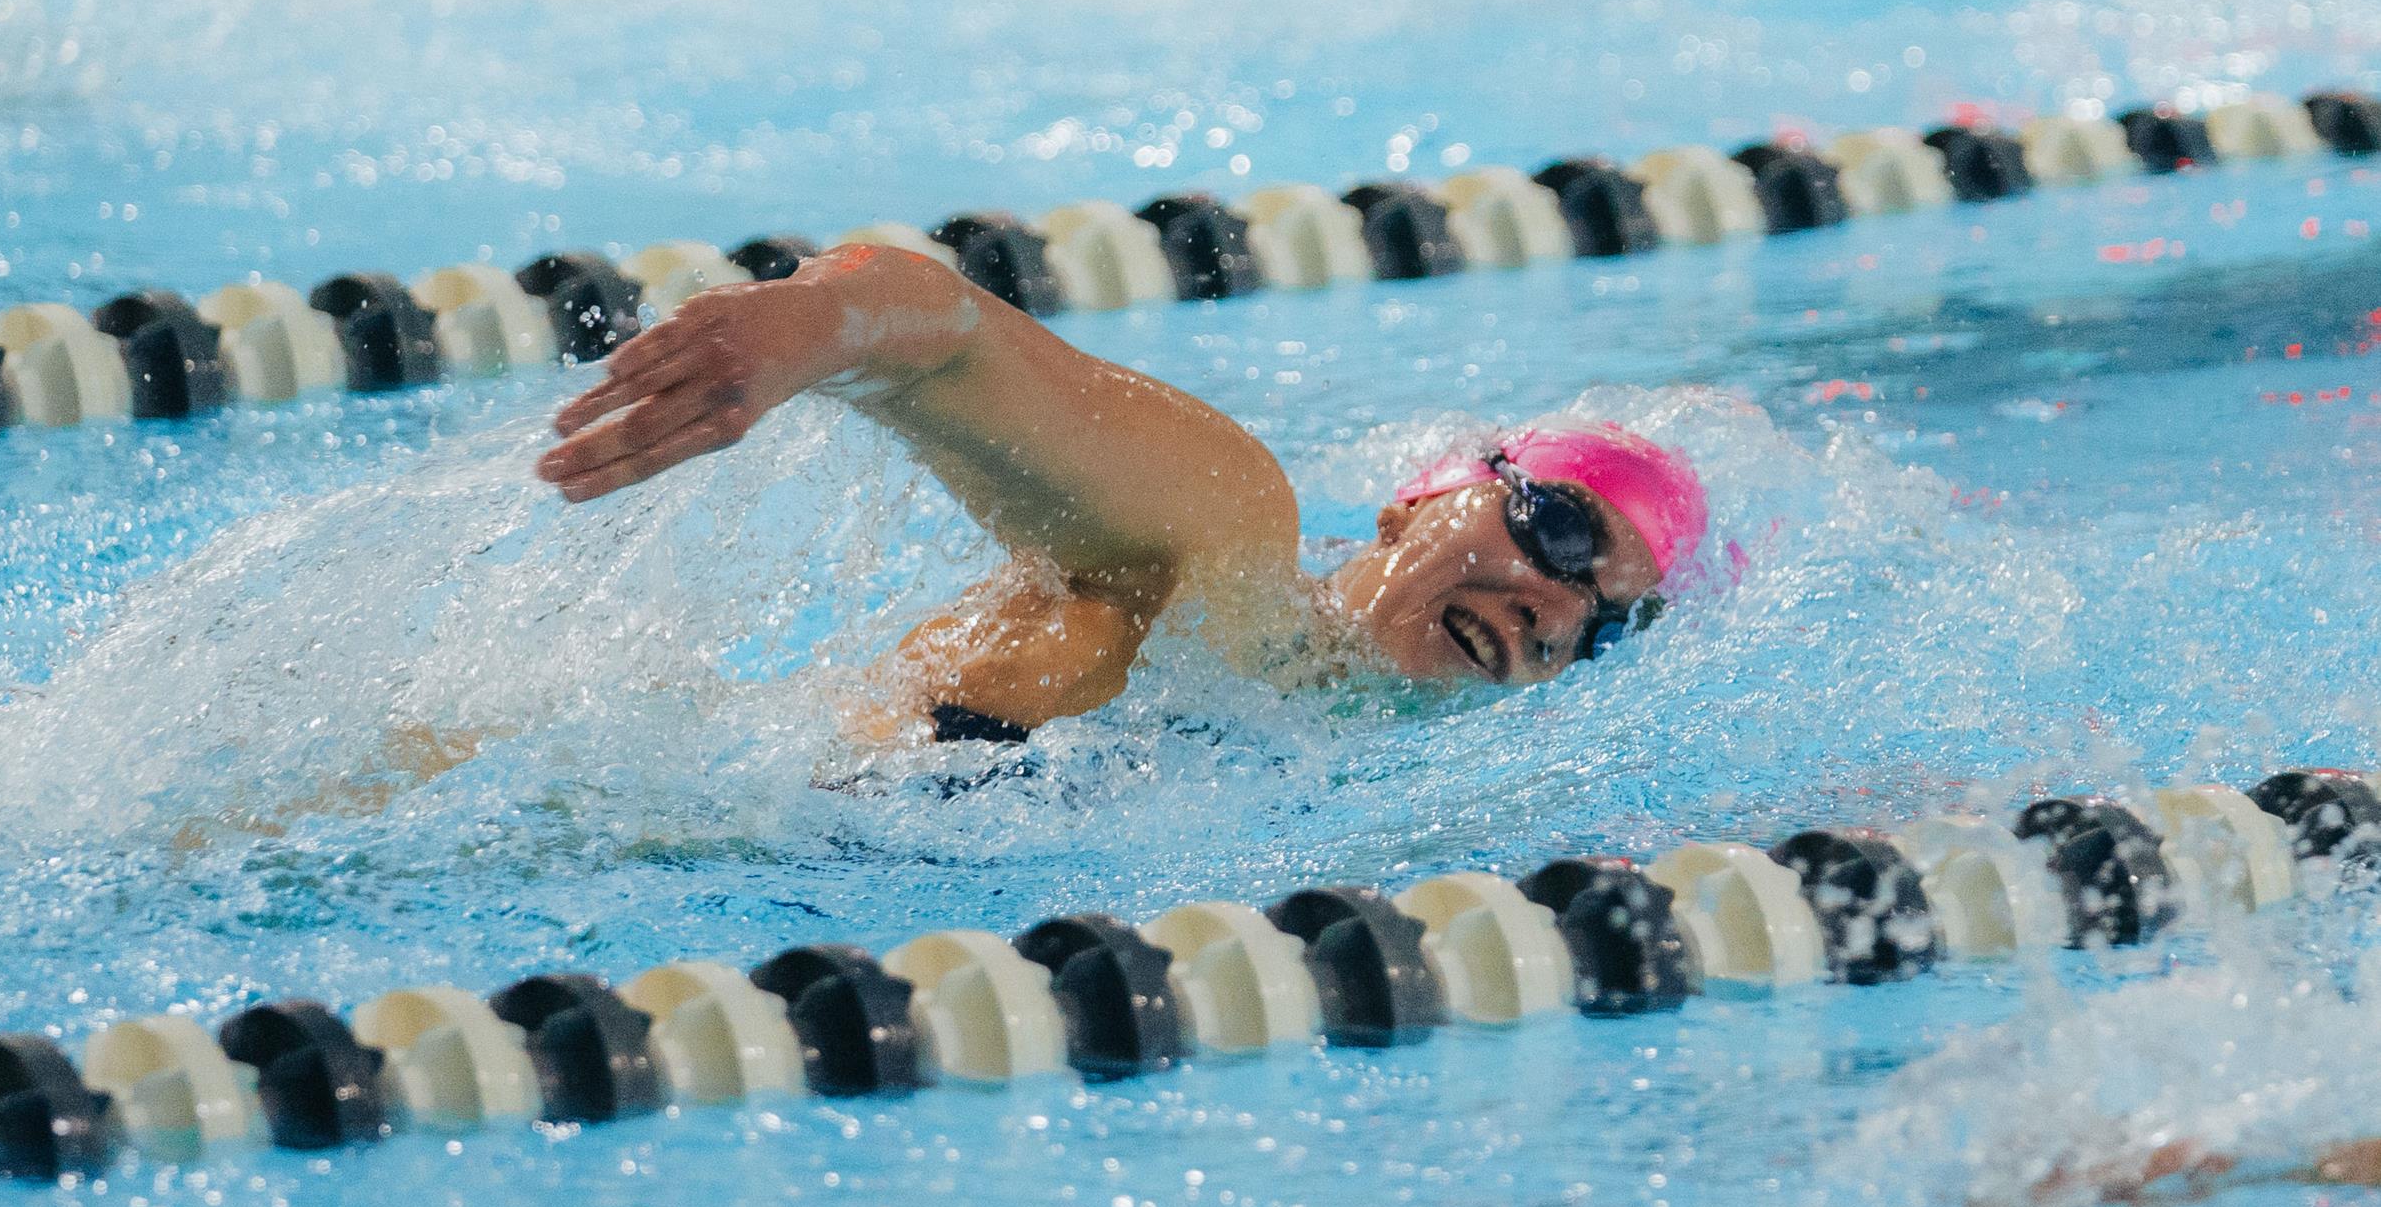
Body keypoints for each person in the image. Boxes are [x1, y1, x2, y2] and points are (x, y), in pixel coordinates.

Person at [538, 243, 1706, 742]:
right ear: (1420, 499)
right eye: (1561, 530)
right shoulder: (1224, 544)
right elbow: (949, 335)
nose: (1559, 612)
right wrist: (806, 326)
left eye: (1606, 626)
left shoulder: (1380, 764)